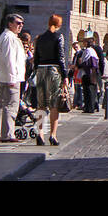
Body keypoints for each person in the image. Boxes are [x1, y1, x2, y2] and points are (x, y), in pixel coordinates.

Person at [31, 14, 69, 146]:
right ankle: (53, 135)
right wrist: (65, 75)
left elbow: (36, 57)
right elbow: (61, 57)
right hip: (54, 70)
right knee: (54, 104)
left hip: (41, 70)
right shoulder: (59, 37)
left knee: (40, 105)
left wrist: (35, 70)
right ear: (59, 25)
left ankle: (40, 134)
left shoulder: (40, 38)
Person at [0, 14, 27, 142]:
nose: (21, 26)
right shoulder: (9, 38)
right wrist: (13, 78)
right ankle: (7, 134)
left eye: (22, 23)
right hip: (10, 77)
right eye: (18, 23)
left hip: (5, 76)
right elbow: (9, 59)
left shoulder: (8, 36)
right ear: (10, 24)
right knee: (11, 105)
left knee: (2, 104)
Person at [78, 41, 101, 113]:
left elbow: (86, 62)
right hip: (93, 74)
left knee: (88, 91)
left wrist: (79, 65)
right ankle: (92, 107)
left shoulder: (87, 51)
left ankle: (89, 108)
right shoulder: (93, 51)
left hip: (88, 74)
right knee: (92, 91)